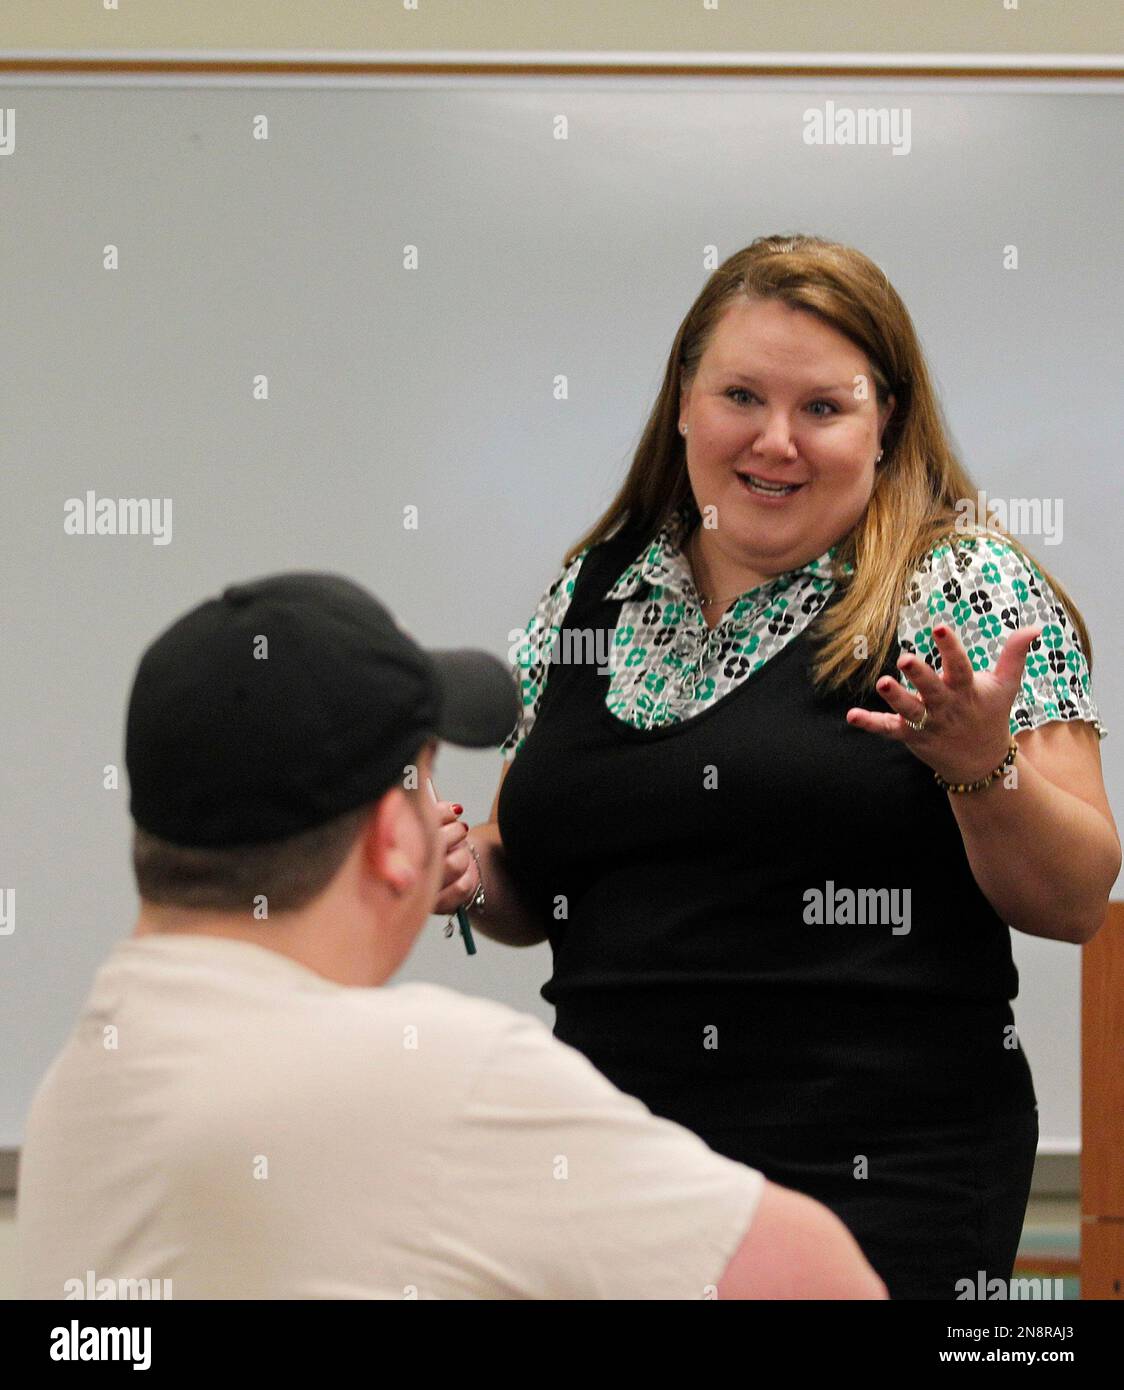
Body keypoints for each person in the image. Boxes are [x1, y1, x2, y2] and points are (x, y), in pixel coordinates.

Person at [437, 234, 1121, 1300]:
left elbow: (1075, 898)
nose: (774, 441)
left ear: (883, 420)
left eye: (820, 408)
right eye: (740, 395)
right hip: (617, 1174)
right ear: (680, 401)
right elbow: (541, 876)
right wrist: (468, 872)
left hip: (878, 1184)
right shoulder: (597, 589)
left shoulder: (960, 584)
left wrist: (981, 769)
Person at [17, 572, 885, 1300]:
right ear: (394, 843)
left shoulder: (80, 1086)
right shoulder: (438, 1072)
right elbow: (821, 1281)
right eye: (429, 782)